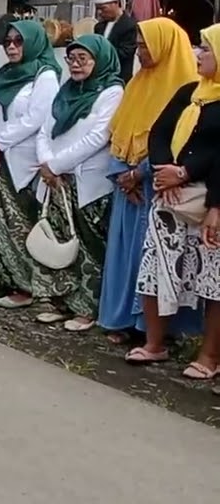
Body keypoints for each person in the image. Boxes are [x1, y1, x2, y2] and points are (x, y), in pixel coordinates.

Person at [100, 18, 199, 343]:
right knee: (124, 254)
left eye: (145, 46)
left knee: (152, 259)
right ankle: (121, 321)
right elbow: (118, 131)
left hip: (155, 187)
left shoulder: (186, 87)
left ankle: (150, 330)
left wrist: (139, 173)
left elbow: (173, 141)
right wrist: (120, 174)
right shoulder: (137, 83)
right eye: (139, 45)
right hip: (127, 188)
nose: (139, 52)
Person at [132, 23, 220, 376]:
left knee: (212, 281)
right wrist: (163, 170)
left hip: (209, 201)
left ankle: (209, 357)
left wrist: (185, 174)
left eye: (207, 48)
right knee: (157, 268)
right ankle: (155, 344)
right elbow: (160, 132)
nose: (199, 54)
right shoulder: (190, 92)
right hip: (171, 197)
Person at [32, 35, 123, 331]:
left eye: (83, 59)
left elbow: (98, 136)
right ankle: (61, 302)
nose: (75, 65)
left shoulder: (111, 92)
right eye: (71, 59)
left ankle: (87, 308)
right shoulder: (65, 90)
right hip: (57, 180)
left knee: (88, 245)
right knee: (60, 239)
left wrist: (56, 164)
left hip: (87, 181)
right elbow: (45, 129)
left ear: (100, 60)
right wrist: (47, 163)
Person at [0, 19, 61, 308]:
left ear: (34, 42)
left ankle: (25, 287)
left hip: (20, 161)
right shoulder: (4, 74)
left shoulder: (45, 75)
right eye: (8, 41)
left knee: (19, 224)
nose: (11, 47)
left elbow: (35, 119)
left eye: (18, 41)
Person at [91, 0, 139, 83]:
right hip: (99, 78)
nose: (99, 12)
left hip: (119, 78)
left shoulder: (130, 26)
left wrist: (100, 53)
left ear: (116, 3)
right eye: (97, 9)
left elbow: (125, 53)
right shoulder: (99, 27)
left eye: (103, 8)